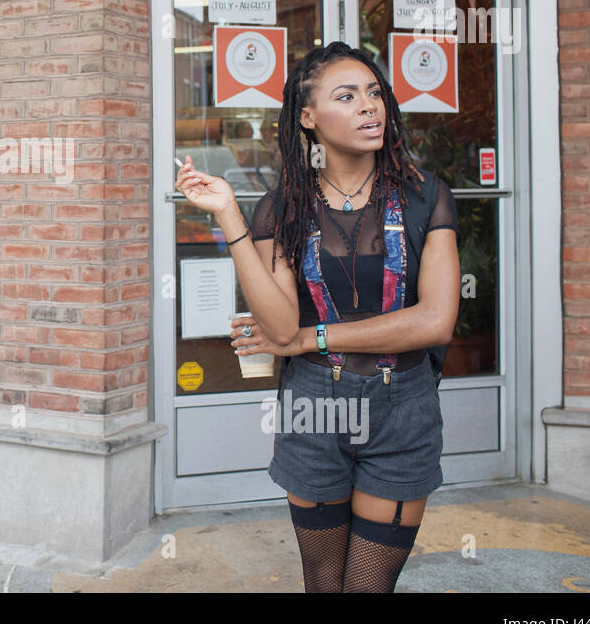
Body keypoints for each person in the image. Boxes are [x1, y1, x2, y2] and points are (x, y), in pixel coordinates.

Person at [175, 40, 461, 592]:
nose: (369, 107)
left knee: (366, 589)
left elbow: (434, 322)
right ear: (308, 117)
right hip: (313, 411)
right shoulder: (281, 208)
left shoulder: (427, 198)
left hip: (402, 407)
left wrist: (310, 338)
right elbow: (277, 327)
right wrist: (230, 214)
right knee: (323, 586)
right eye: (347, 96)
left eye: (374, 94)